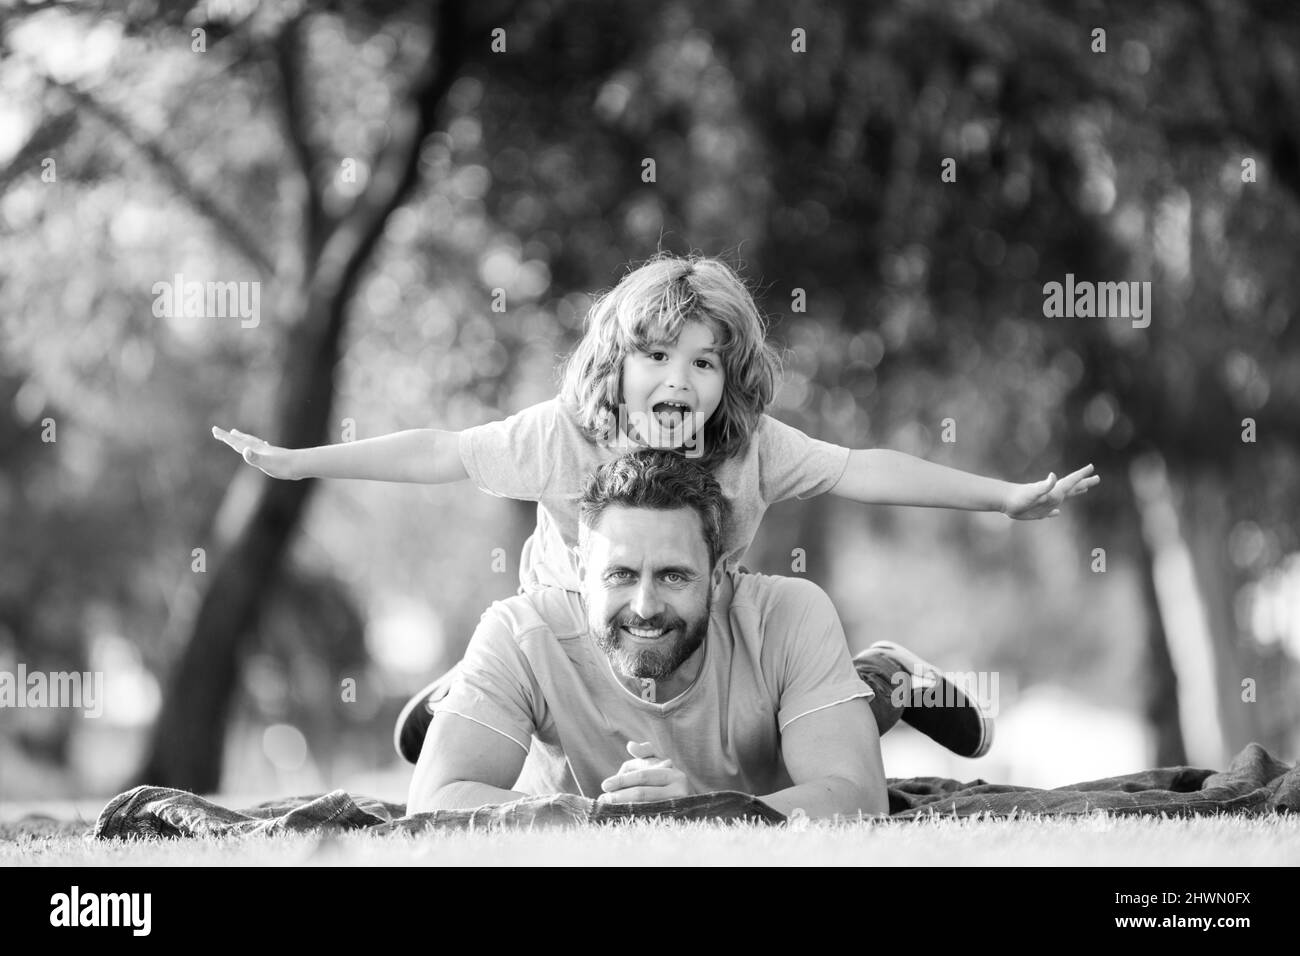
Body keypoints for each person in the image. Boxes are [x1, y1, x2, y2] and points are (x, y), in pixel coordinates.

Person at [212, 254, 1095, 758]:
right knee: (567, 745)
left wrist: (1004, 497)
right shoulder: (563, 436)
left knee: (758, 755)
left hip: (702, 635)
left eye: (704, 364)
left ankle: (879, 680)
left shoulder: (751, 448)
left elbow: (865, 468)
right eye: (659, 356)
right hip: (576, 643)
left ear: (727, 383)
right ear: (618, 368)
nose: (679, 378)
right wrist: (299, 462)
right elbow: (442, 452)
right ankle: (473, 691)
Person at [407, 451, 983, 819]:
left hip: (795, 710)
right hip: (532, 648)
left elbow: (857, 800)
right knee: (515, 650)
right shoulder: (519, 630)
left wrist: (700, 810)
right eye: (621, 574)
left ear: (719, 575)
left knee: (852, 706)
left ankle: (885, 676)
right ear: (579, 573)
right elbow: (434, 803)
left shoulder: (790, 613)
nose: (646, 606)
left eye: (675, 575)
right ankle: (462, 695)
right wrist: (601, 819)